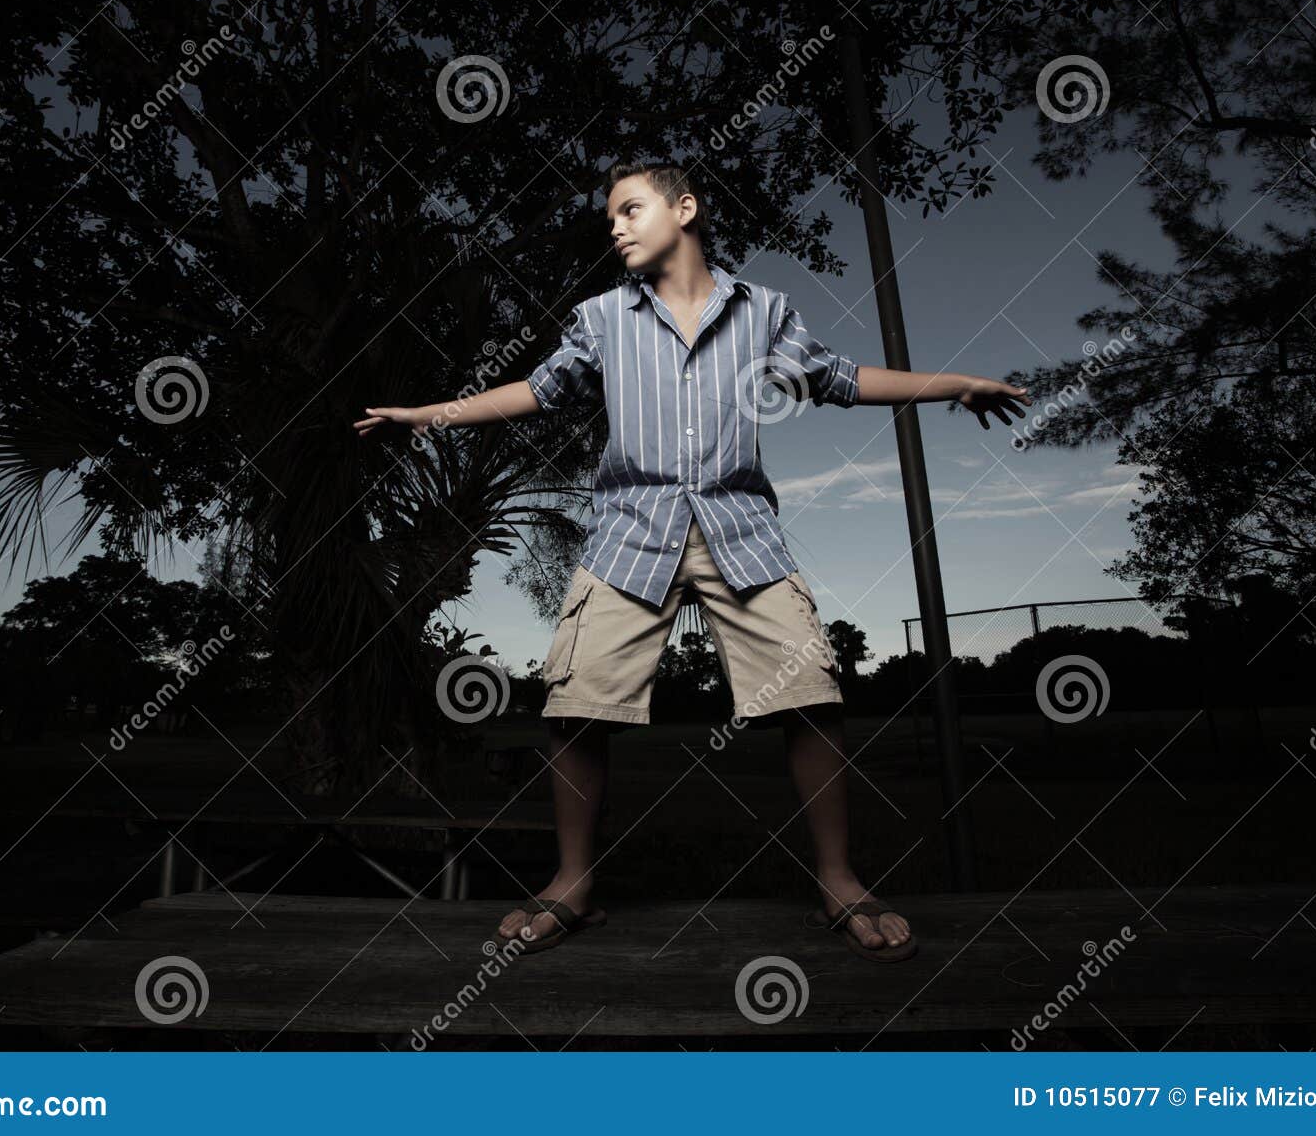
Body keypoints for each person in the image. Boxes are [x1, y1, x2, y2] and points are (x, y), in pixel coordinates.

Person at [354, 160, 1031, 963]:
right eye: (610, 217)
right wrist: (431, 414)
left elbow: (843, 379)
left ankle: (839, 879)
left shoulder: (764, 311)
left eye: (630, 209)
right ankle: (572, 883)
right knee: (575, 702)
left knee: (812, 692)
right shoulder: (603, 317)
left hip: (741, 529)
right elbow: (536, 390)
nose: (616, 227)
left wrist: (951, 384)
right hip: (629, 534)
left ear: (684, 208)